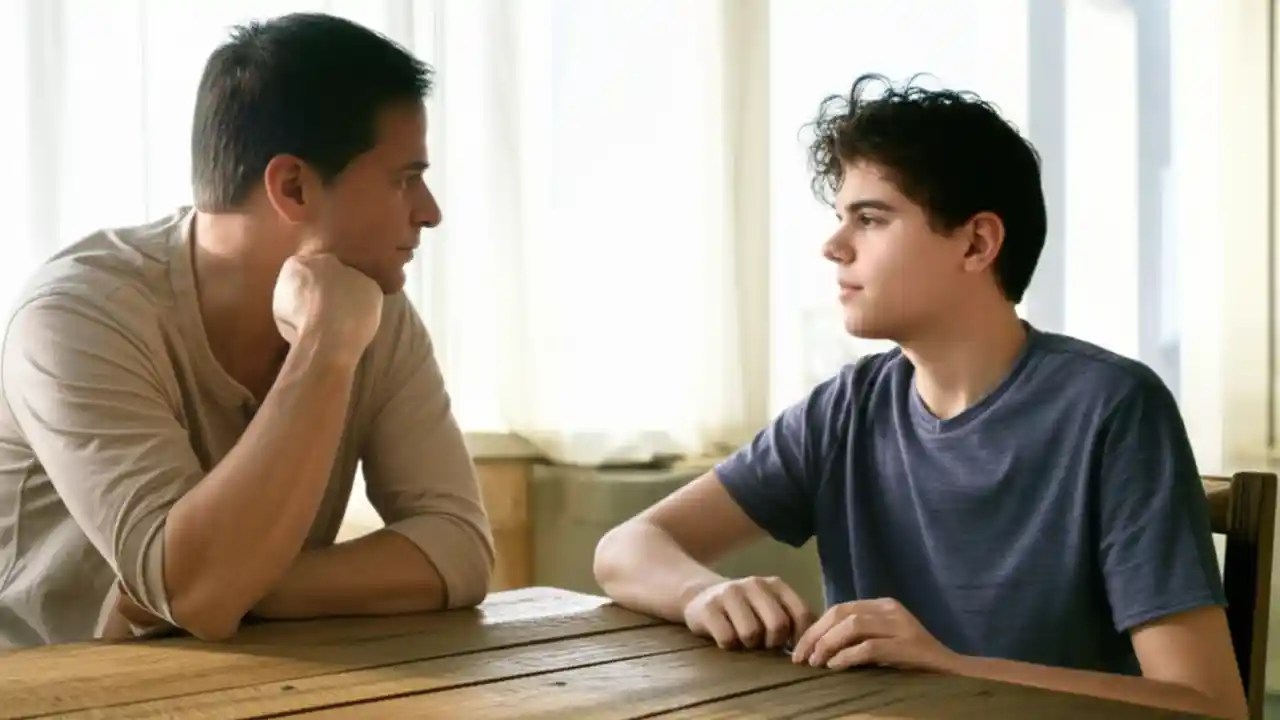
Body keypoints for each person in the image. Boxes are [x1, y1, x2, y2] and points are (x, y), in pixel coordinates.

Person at [593, 74, 1247, 719]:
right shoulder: (846, 410)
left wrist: (950, 667)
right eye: (839, 218)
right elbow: (626, 549)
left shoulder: (1112, 407)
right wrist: (703, 594)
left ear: (977, 242)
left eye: (871, 218)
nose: (833, 246)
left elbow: (1208, 705)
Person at [0, 13, 494, 648]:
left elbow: (458, 547)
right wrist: (323, 346)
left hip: (238, 690)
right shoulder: (75, 317)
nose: (430, 213)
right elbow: (199, 594)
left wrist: (230, 591)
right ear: (292, 186)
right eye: (404, 179)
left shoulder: (373, 305)